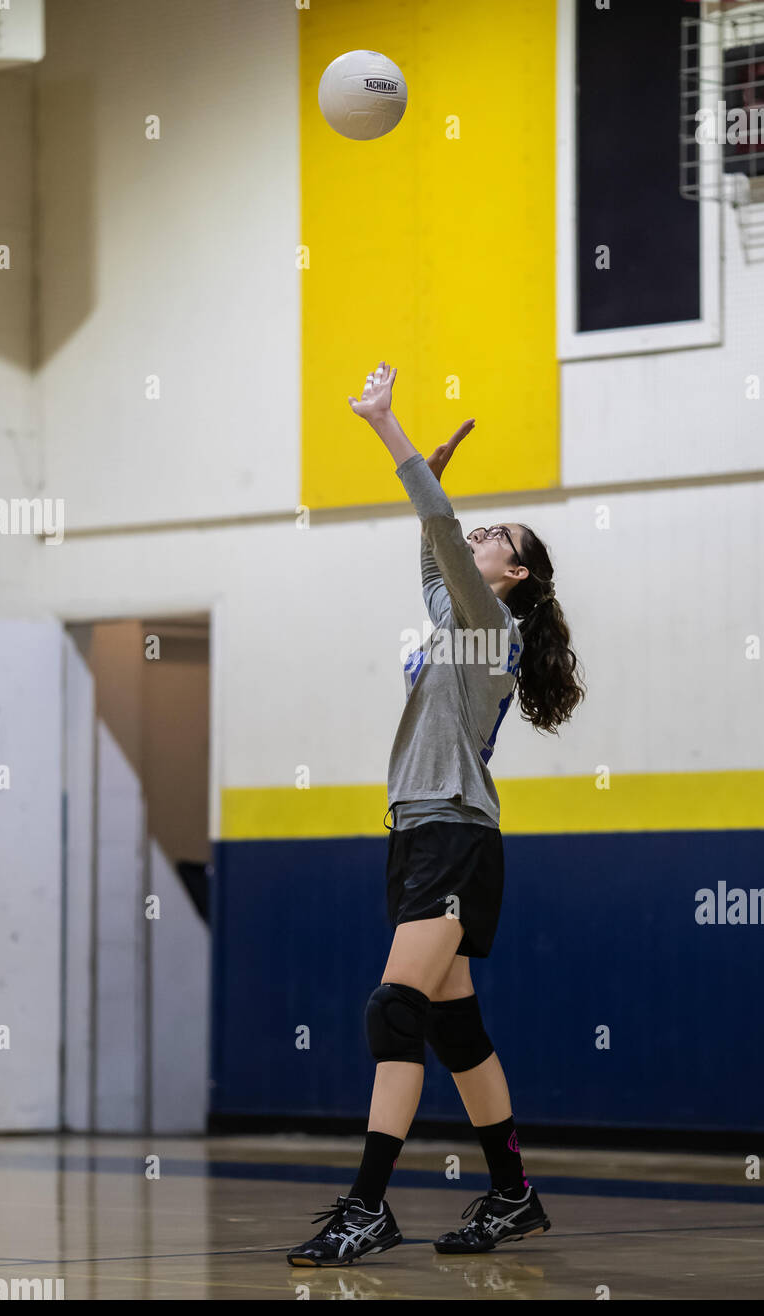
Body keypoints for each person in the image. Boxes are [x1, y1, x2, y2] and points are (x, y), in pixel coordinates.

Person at [286, 362, 585, 1267]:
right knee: (456, 1031)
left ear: (514, 572)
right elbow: (437, 551)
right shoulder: (462, 622)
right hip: (423, 831)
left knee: (394, 1011)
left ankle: (369, 1206)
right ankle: (511, 1195)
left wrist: (389, 427)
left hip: (453, 835)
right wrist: (437, 485)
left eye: (499, 537)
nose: (477, 538)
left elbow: (441, 535)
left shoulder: (495, 628)